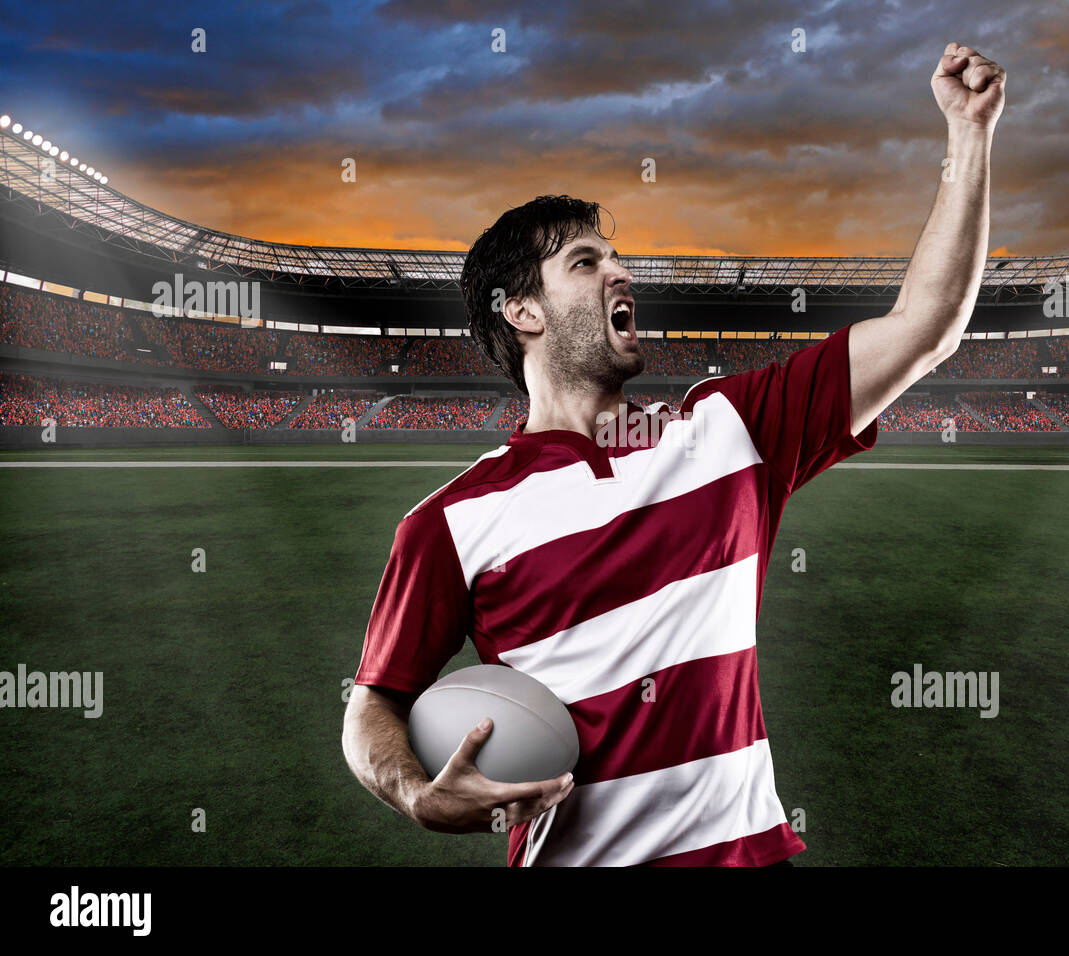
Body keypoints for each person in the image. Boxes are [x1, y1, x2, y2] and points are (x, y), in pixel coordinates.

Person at [342, 41, 1005, 866]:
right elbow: (373, 703)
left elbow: (924, 328)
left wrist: (968, 136)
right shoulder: (448, 523)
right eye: (586, 263)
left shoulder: (728, 429)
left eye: (618, 259)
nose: (622, 274)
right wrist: (413, 791)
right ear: (523, 313)